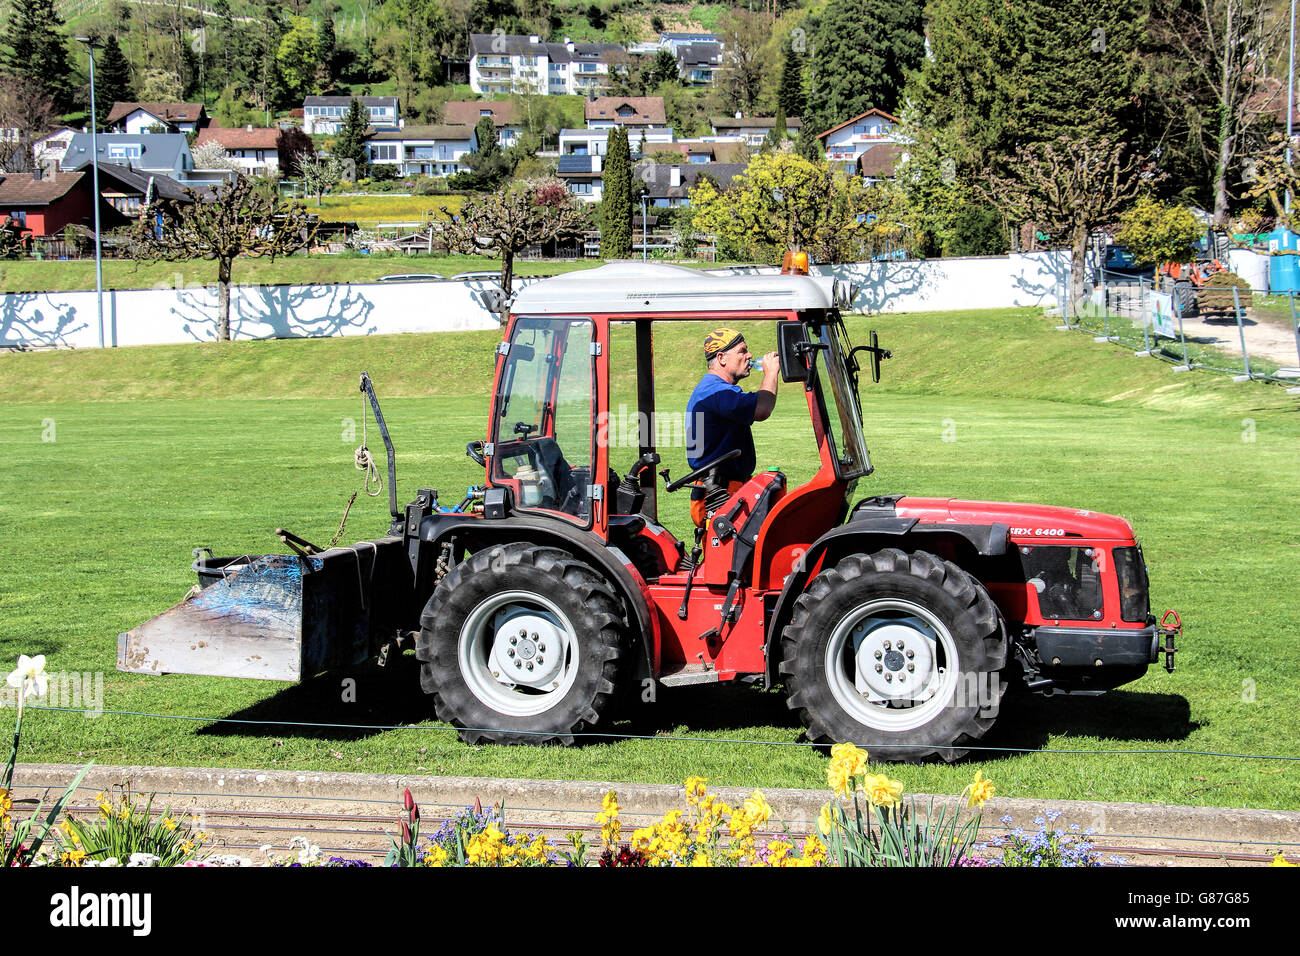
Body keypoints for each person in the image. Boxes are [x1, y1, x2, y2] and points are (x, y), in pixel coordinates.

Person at [685, 328, 780, 528]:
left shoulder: (714, 389)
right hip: (719, 493)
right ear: (721, 358)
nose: (750, 355)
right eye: (742, 351)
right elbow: (762, 409)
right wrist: (771, 372)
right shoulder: (715, 392)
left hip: (723, 488)